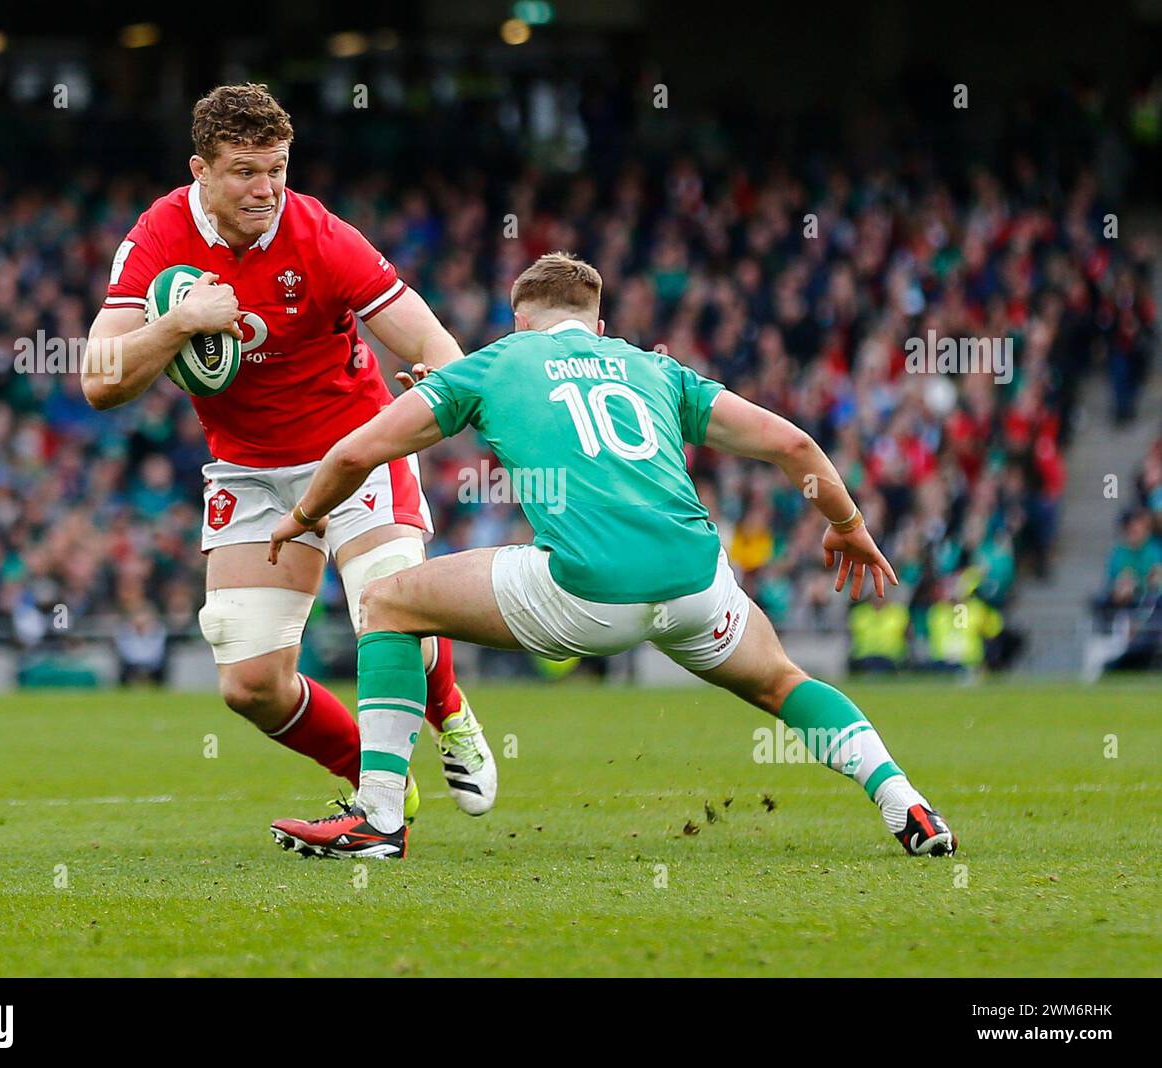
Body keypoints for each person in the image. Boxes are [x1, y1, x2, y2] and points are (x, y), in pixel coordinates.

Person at [267, 252, 958, 860]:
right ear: (598, 327)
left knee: (387, 603)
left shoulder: (494, 365)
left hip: (587, 594)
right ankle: (905, 800)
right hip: (695, 584)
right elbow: (793, 446)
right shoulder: (654, 369)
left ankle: (380, 818)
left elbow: (356, 451)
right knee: (782, 681)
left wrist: (300, 517)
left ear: (518, 323)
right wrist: (846, 523)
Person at [81, 83, 496, 823]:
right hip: (246, 468)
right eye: (245, 170)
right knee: (250, 684)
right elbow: (99, 381)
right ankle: (382, 776)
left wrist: (442, 377)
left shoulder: (323, 236)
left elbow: (435, 342)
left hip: (355, 449)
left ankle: (450, 717)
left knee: (389, 611)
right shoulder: (157, 236)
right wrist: (180, 323)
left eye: (277, 168)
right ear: (200, 171)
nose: (266, 188)